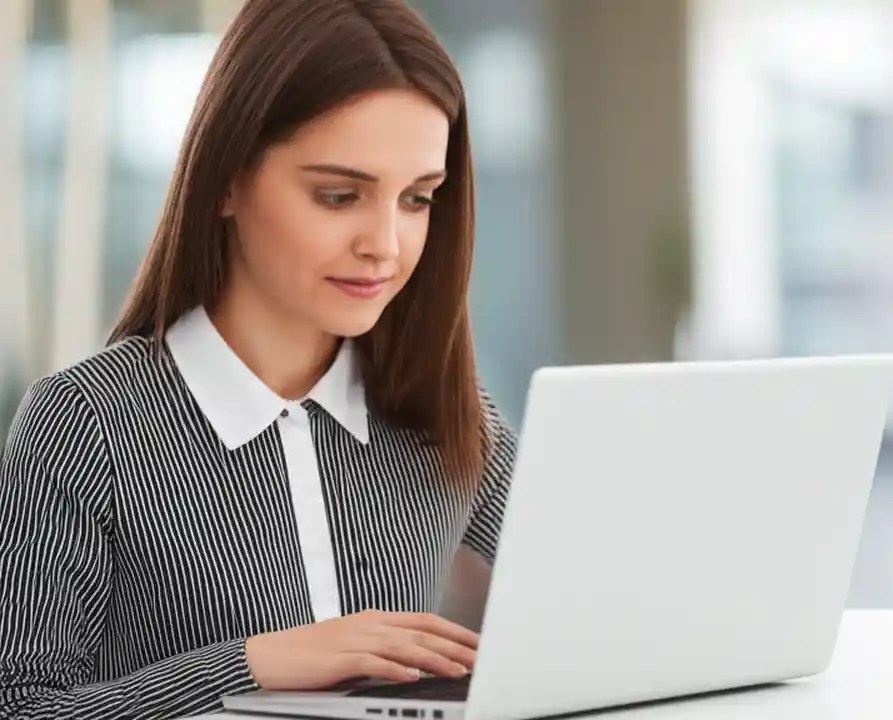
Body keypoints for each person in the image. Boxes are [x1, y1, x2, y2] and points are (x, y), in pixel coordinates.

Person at [0, 1, 519, 717]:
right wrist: (252, 666)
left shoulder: (448, 416)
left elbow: (613, 592)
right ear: (226, 182)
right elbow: (24, 706)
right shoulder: (84, 424)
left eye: (417, 199)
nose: (386, 245)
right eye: (338, 195)